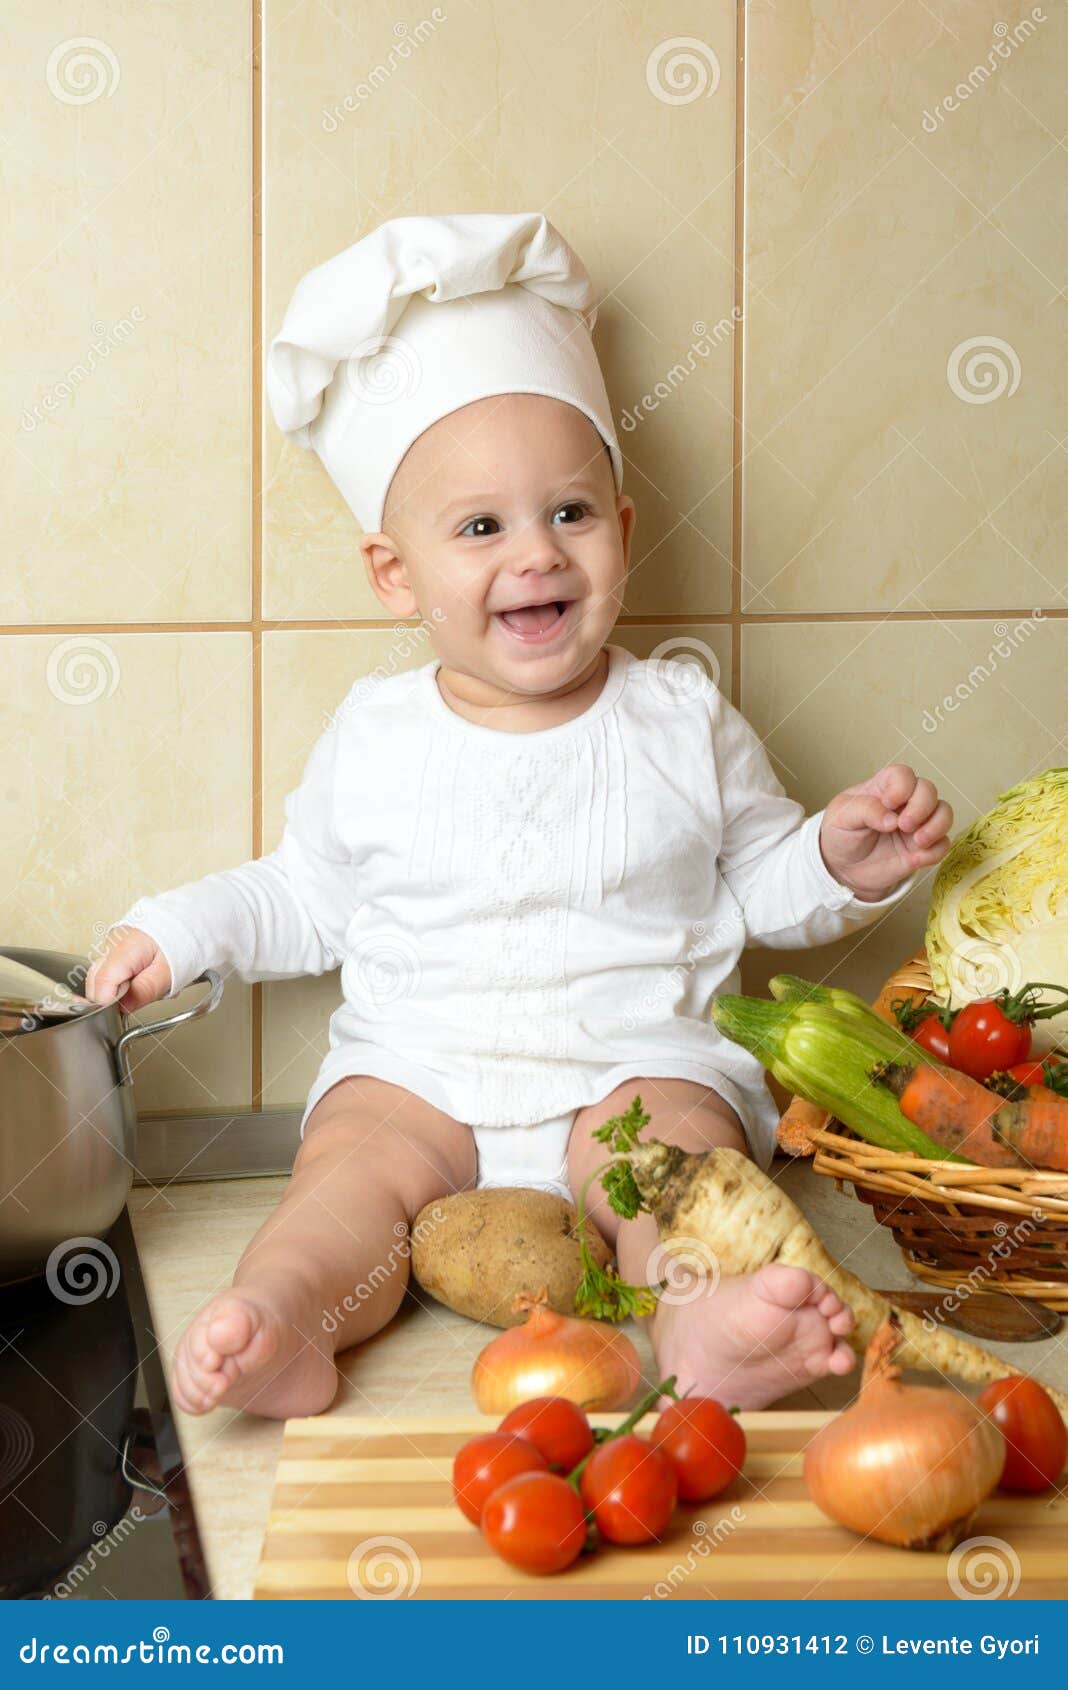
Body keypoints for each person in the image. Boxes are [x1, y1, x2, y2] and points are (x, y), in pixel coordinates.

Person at [87, 214, 953, 1420]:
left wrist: (838, 858)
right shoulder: (378, 735)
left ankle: (702, 1318)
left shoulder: (681, 717)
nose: (535, 556)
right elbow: (302, 893)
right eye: (481, 527)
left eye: (571, 514)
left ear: (625, 531)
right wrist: (176, 929)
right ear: (397, 574)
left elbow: (759, 881)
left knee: (672, 1161)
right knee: (346, 1172)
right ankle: (285, 1314)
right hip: (419, 1077)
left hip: (634, 1067)